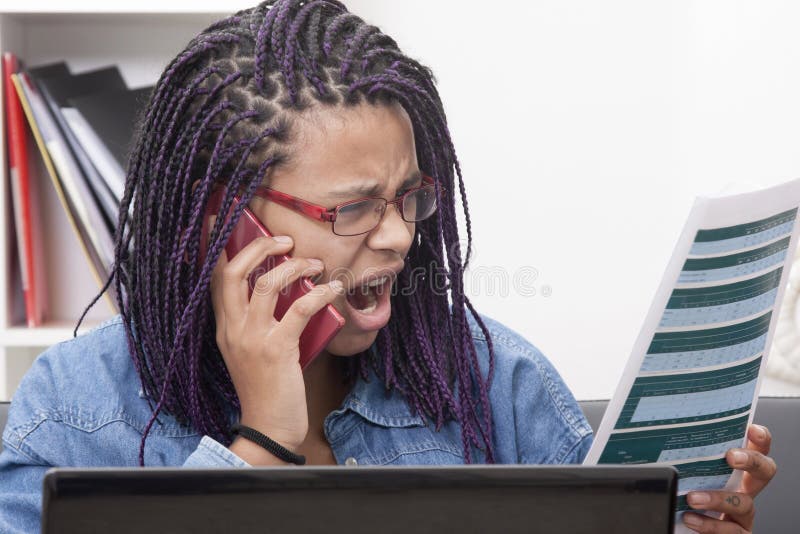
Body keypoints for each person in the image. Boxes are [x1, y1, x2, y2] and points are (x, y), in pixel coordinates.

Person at [0, 1, 777, 532]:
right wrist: (262, 441)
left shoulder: (491, 382)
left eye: (410, 197)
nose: (400, 237)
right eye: (353, 208)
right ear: (225, 224)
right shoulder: (76, 411)